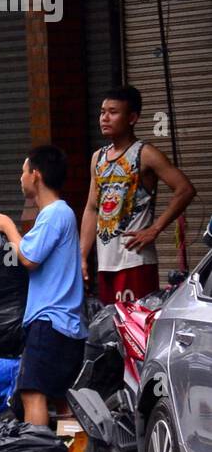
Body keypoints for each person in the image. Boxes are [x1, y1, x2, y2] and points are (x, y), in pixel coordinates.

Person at [0, 146, 86, 428]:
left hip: (50, 323)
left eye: (23, 171)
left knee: (33, 394)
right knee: (61, 399)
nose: (20, 178)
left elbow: (29, 258)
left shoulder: (55, 213)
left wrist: (7, 226)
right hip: (66, 325)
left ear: (36, 175)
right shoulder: (60, 214)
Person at [80, 85, 195, 304]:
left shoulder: (146, 153)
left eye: (113, 112)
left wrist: (155, 229)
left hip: (135, 260)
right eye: (103, 112)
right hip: (106, 262)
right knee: (110, 328)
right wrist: (82, 256)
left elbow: (185, 189)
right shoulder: (98, 157)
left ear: (132, 117)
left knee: (135, 327)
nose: (105, 118)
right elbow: (92, 208)